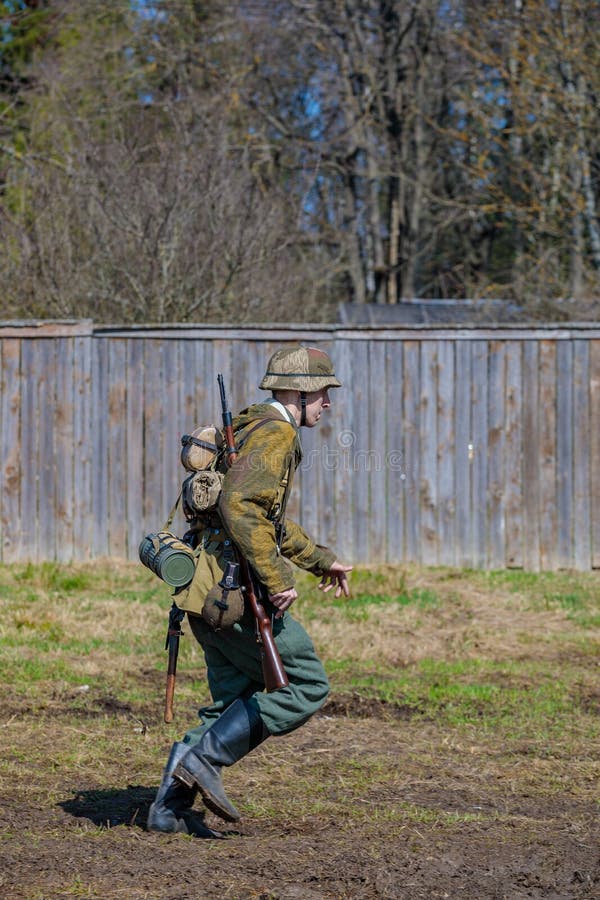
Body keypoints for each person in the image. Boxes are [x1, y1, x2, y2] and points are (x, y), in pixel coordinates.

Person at [148, 344, 352, 834]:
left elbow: (264, 517)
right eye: (323, 393)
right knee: (307, 684)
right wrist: (279, 579)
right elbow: (243, 507)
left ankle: (167, 809)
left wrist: (320, 560)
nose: (327, 404)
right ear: (300, 393)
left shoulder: (249, 426)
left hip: (203, 590)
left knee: (229, 702)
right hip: (236, 593)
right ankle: (205, 761)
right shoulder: (277, 433)